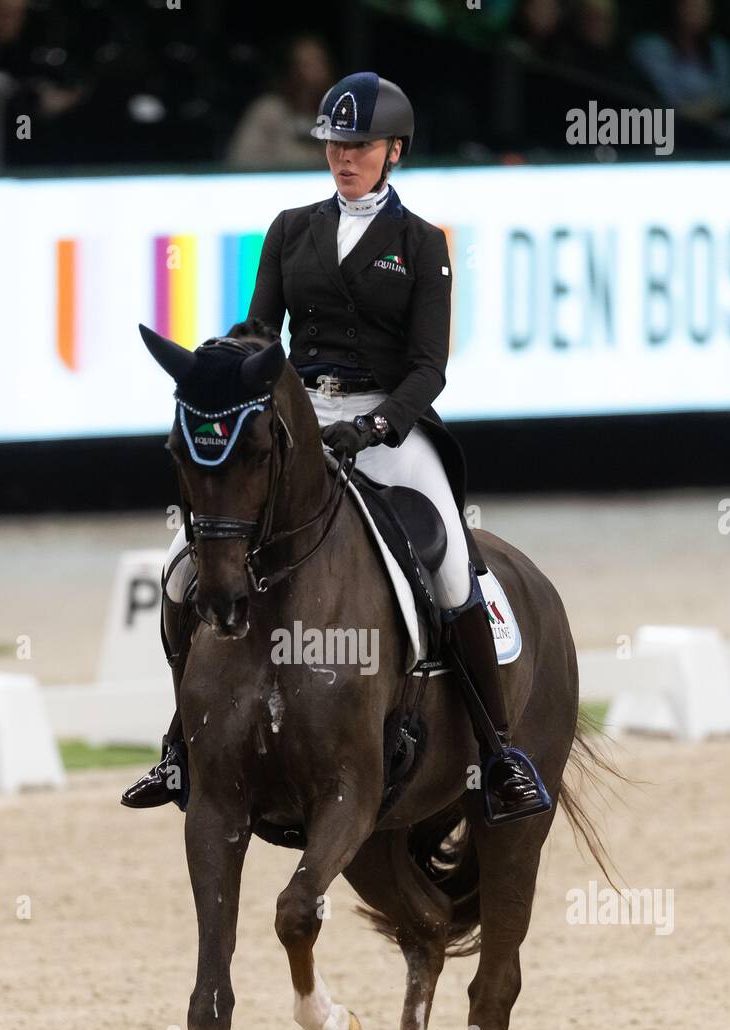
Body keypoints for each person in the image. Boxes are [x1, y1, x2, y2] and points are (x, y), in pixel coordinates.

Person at [122, 70, 551, 825]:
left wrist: (377, 425)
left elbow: (430, 367)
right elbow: (261, 333)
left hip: (390, 426)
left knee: (452, 565)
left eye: (359, 146)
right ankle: (179, 744)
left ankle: (501, 749)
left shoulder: (421, 245)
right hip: (298, 420)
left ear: (393, 151)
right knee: (186, 569)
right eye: (335, 144)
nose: (343, 157)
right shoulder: (292, 228)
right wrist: (221, 366)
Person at [225, 35, 334, 170]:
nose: (309, 74)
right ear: (289, 70)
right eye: (303, 64)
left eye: (318, 62)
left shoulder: (337, 115)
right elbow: (240, 161)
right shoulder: (268, 111)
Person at [630, 0, 730, 122]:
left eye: (704, 6)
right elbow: (666, 104)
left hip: (718, 127)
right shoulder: (650, 47)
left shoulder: (718, 47)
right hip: (668, 129)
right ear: (677, 7)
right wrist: (709, 105)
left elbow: (728, 98)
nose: (699, 11)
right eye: (692, 5)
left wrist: (701, 108)